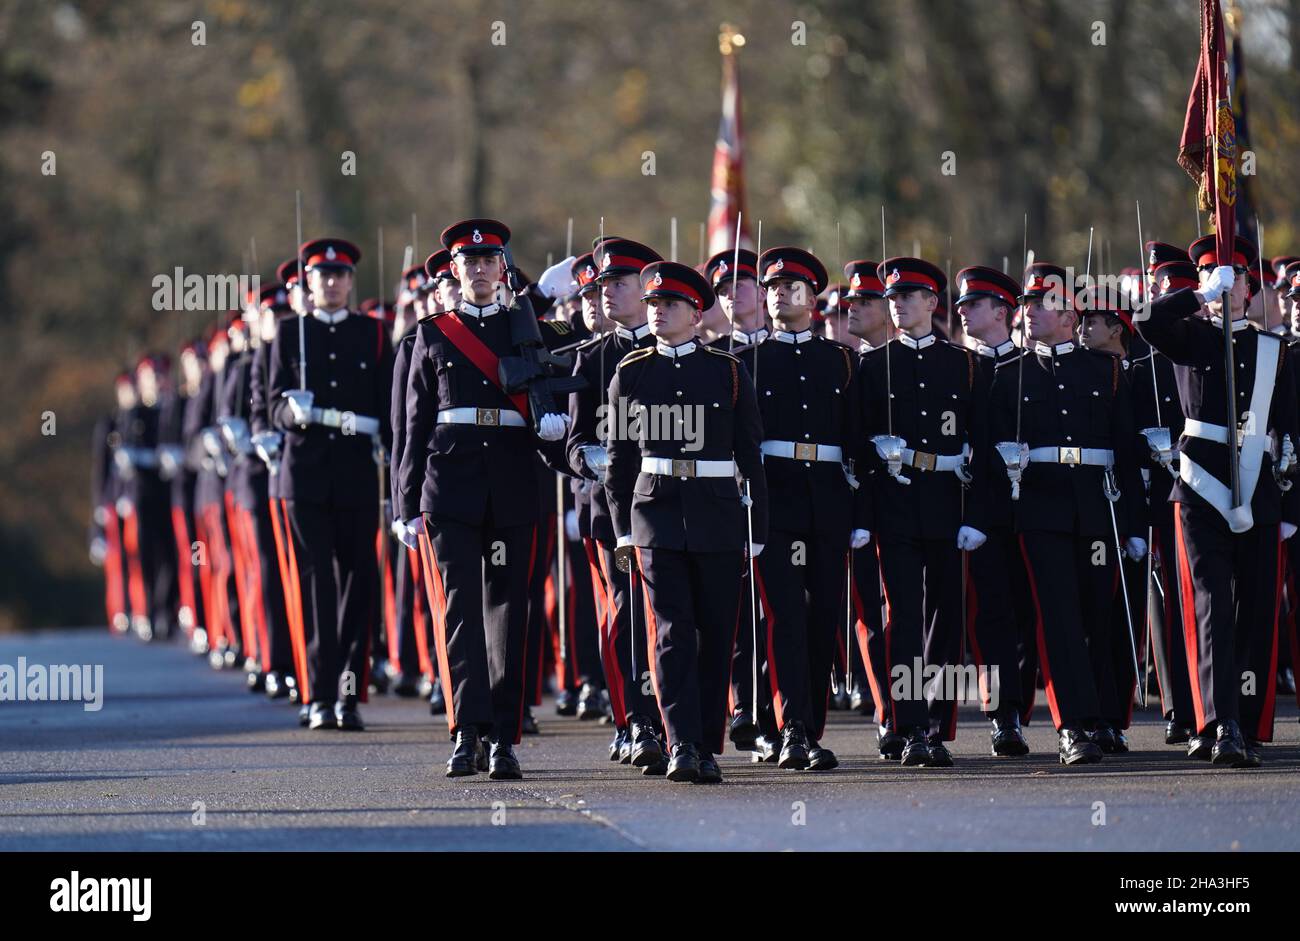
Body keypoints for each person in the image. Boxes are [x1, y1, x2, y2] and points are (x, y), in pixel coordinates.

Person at [398, 219, 571, 779]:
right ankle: (465, 730)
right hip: (450, 483)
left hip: (514, 478)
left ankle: (504, 733)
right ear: (453, 270)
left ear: (503, 269)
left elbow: (566, 375)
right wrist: (404, 502)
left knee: (508, 610)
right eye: (467, 262)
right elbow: (413, 427)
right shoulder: (431, 334)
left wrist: (555, 423)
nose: (477, 269)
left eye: (487, 260)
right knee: (459, 609)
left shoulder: (529, 328)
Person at [1134, 235, 1298, 767]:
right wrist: (1195, 295)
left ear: (1250, 287)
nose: (1229, 288)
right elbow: (1145, 321)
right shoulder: (1192, 338)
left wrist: (1291, 511)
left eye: (1235, 279)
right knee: (1210, 603)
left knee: (1255, 607)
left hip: (1260, 486)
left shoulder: (1274, 351)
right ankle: (1217, 720)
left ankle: (1248, 721)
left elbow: (1292, 429)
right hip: (1201, 484)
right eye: (1214, 277)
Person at [605, 260, 768, 783]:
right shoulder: (632, 372)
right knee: (672, 633)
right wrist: (624, 530)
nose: (657, 313)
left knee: (717, 632)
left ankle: (707, 742)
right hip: (655, 514)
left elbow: (750, 455)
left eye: (669, 305)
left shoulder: (728, 371)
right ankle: (680, 744)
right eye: (652, 304)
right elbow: (620, 460)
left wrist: (757, 530)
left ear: (697, 314)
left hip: (717, 513)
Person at [990, 262, 1147, 764]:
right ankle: (1071, 726)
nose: (1030, 311)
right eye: (1028, 304)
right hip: (1040, 508)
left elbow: (1127, 451)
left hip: (1099, 506)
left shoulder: (1106, 370)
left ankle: (1103, 717)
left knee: (1099, 614)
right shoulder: (1007, 374)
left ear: (1070, 314)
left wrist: (1136, 524)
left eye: (1042, 304)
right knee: (1057, 617)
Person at [859, 257, 989, 766]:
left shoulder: (965, 364)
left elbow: (983, 444)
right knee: (904, 617)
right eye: (892, 297)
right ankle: (908, 723)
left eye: (907, 296)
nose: (897, 304)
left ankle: (937, 724)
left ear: (933, 304)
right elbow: (857, 443)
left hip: (947, 499)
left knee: (946, 619)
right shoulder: (872, 365)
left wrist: (976, 515)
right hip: (895, 500)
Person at [269, 237, 394, 732]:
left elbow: (387, 404)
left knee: (358, 581)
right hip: (306, 472)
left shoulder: (373, 334)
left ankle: (348, 692)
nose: (333, 283)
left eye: (341, 275)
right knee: (317, 581)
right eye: (324, 275)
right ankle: (317, 693)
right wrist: (290, 411)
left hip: (357, 470)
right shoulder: (289, 333)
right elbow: (273, 405)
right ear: (310, 282)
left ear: (350, 281)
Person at [748, 246, 863, 771]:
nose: (778, 296)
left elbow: (856, 440)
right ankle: (786, 726)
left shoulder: (840, 359)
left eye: (790, 288)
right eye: (771, 288)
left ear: (813, 299)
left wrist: (860, 513)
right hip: (773, 497)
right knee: (783, 616)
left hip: (828, 499)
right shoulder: (747, 358)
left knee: (822, 621)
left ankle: (807, 727)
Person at [564, 237, 667, 772]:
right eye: (601, 285)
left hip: (668, 507)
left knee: (670, 615)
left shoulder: (671, 352)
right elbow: (573, 441)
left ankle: (673, 720)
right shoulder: (590, 356)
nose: (606, 294)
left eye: (618, 284)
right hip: (610, 511)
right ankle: (635, 719)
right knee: (625, 615)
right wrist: (591, 457)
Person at [953, 265, 1033, 755]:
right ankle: (1005, 716)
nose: (962, 311)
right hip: (981, 514)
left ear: (1003, 311)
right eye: (961, 304)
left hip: (1038, 513)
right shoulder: (958, 367)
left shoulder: (1033, 366)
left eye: (974, 304)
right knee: (994, 617)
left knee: (1036, 617)